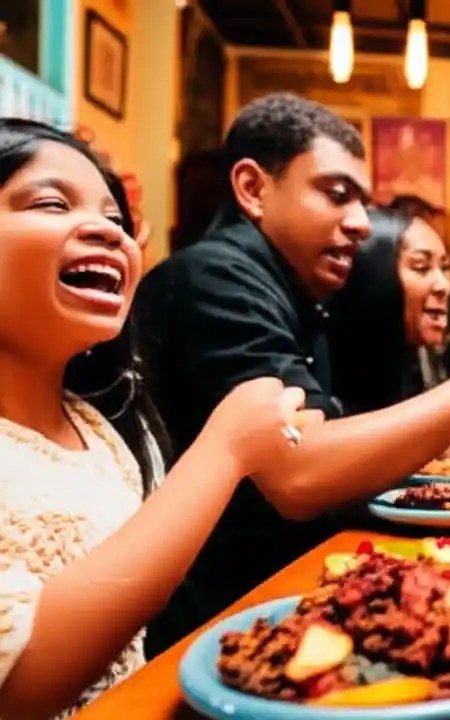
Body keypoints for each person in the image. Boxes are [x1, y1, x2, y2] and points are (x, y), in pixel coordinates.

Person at [134, 93, 450, 653]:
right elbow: (298, 477)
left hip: (274, 594)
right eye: (336, 194)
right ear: (253, 188)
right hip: (214, 623)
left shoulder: (294, 290)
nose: (361, 224)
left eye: (362, 202)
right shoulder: (217, 277)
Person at [0, 119, 309, 717]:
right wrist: (227, 448)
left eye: (116, 220)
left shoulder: (106, 431)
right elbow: (20, 684)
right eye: (50, 203)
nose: (106, 231)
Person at [329, 207, 450, 455]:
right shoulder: (324, 367)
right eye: (421, 267)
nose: (444, 285)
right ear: (374, 277)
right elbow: (392, 445)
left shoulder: (414, 358)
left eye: (444, 267)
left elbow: (424, 443)